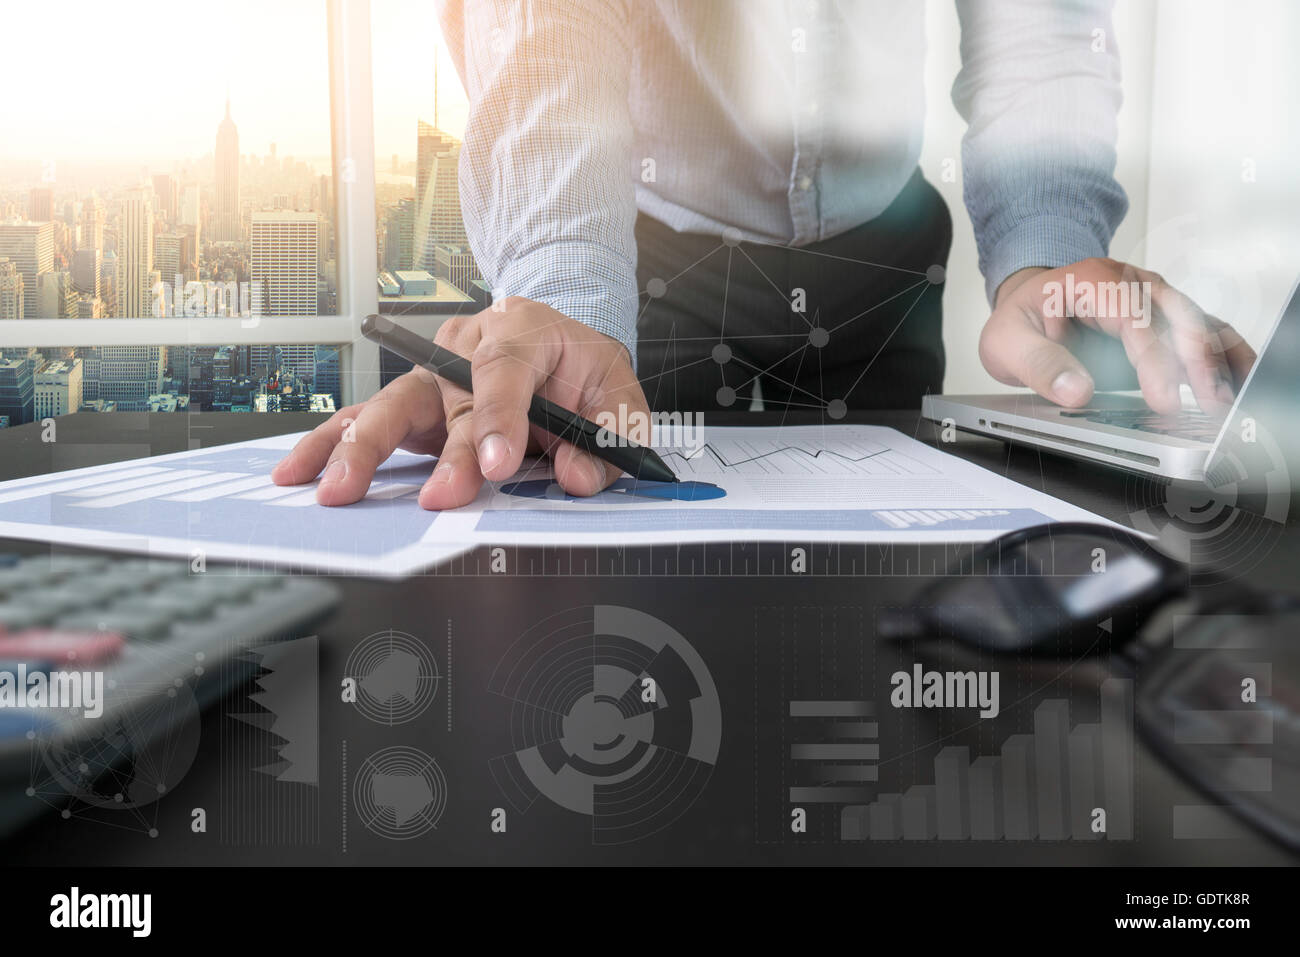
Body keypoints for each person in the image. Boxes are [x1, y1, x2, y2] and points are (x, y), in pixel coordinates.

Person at [273, 0, 1255, 508]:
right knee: (607, 579)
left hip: (883, 263)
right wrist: (563, 288)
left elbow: (1035, 36)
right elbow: (547, 24)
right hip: (641, 262)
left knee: (885, 606)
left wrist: (1046, 258)